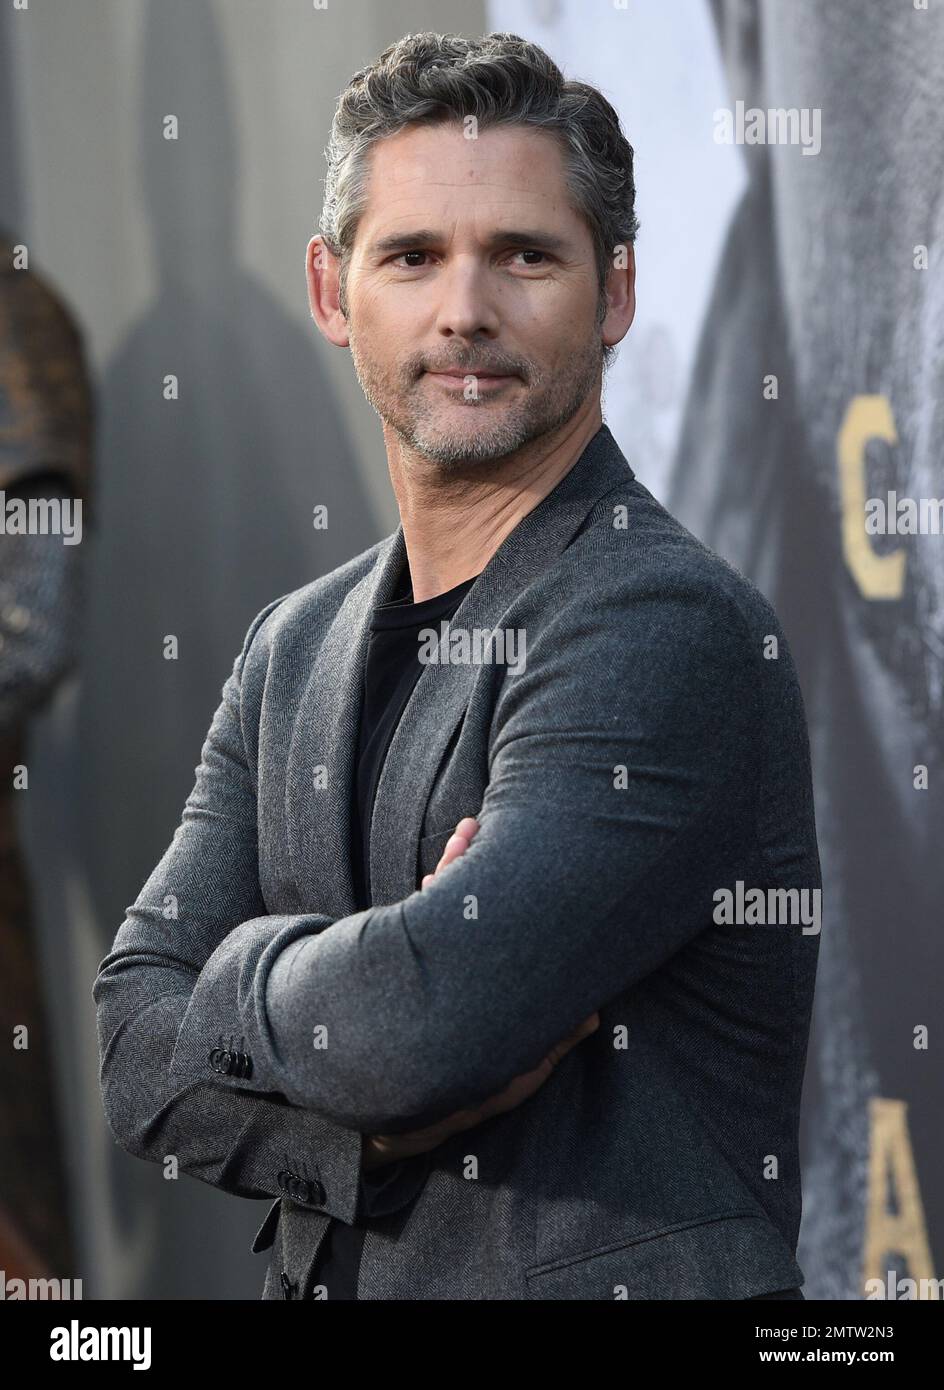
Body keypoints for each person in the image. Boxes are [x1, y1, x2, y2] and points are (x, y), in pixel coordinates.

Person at [94, 31, 820, 1300]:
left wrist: (237, 966)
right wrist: (356, 1126)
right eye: (412, 256)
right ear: (331, 291)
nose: (464, 311)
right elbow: (127, 1047)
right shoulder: (288, 648)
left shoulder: (664, 624)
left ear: (613, 292)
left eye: (524, 255)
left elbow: (423, 1021)